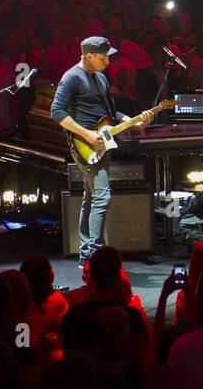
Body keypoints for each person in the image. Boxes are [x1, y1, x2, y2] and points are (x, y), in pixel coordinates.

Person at [50, 36, 155, 268]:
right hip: (85, 144)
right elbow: (56, 112)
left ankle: (86, 254)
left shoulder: (101, 78)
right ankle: (94, 255)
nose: (108, 61)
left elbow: (111, 111)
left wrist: (133, 121)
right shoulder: (71, 77)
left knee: (91, 197)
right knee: (103, 195)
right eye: (103, 57)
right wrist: (86, 134)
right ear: (87, 55)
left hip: (103, 141)